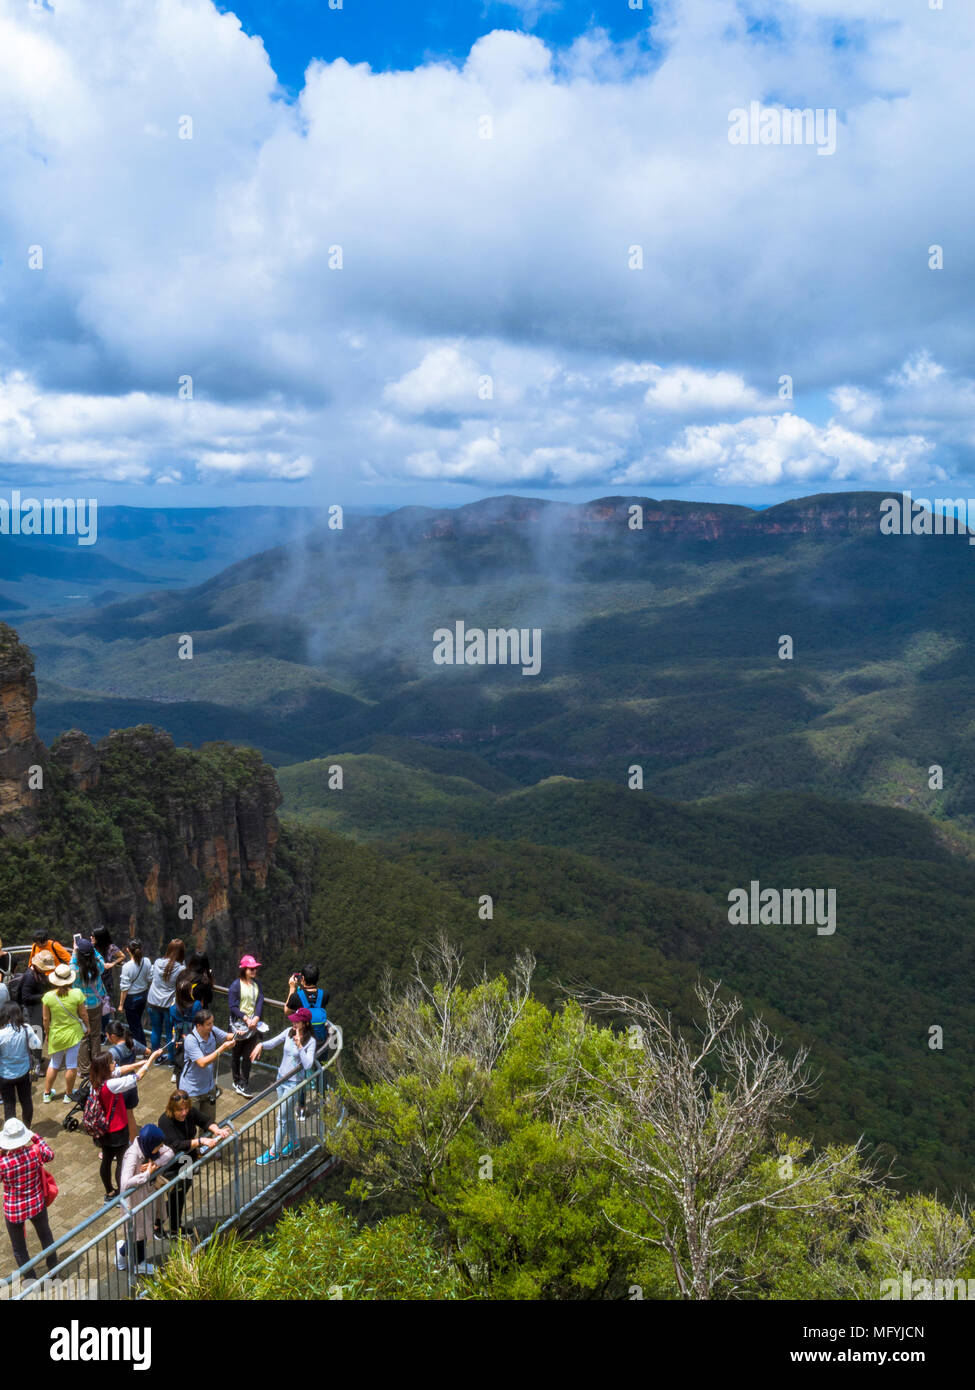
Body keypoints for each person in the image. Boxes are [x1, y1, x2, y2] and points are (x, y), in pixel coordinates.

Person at [157, 1090, 230, 1235]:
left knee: (181, 1194)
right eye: (180, 1110)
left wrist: (217, 1130)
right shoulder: (165, 1121)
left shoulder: (190, 1113)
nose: (184, 1113)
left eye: (186, 1109)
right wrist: (201, 1141)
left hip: (187, 1160)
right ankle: (159, 1224)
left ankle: (172, 1226)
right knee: (175, 1196)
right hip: (171, 1165)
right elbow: (176, 1144)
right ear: (172, 1109)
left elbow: (205, 1120)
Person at [250, 1008, 317, 1166]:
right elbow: (273, 1042)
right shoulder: (289, 1032)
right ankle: (294, 1142)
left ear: (306, 1023)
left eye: (297, 1021)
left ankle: (274, 1152)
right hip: (281, 1080)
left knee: (281, 1118)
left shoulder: (311, 1041)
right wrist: (260, 1045)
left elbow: (308, 1065)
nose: (293, 1023)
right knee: (286, 1115)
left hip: (293, 1084)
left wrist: (300, 1046)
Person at [0, 1118, 58, 1274]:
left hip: (14, 1211)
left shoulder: (3, 1164)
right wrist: (35, 1136)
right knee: (46, 1236)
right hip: (37, 1203)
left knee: (19, 1248)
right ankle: (53, 1269)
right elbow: (50, 1155)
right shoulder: (34, 1152)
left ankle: (30, 1278)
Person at [116, 1125, 175, 1276]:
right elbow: (125, 1183)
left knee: (141, 1231)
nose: (160, 1148)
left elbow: (169, 1152)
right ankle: (135, 1261)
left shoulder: (148, 1146)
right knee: (137, 1233)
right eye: (158, 1146)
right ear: (150, 1144)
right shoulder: (132, 1155)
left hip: (148, 1195)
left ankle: (128, 1255)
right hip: (135, 1200)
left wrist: (154, 1164)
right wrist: (148, 1173)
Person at [177, 1011, 235, 1128]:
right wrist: (222, 1048)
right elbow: (202, 1063)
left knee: (209, 1124)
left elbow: (228, 1036)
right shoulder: (191, 1040)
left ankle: (207, 1146)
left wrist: (240, 1034)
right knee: (190, 1127)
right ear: (199, 1025)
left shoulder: (211, 1030)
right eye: (208, 1024)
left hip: (208, 1088)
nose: (212, 1026)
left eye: (212, 1023)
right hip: (192, 1091)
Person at [41, 964, 88, 1104]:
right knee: (71, 1064)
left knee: (55, 1063)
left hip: (56, 1034)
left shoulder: (48, 997)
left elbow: (45, 1019)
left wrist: (48, 1034)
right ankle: (68, 1095)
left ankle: (47, 1093)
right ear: (70, 980)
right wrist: (88, 1026)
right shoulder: (77, 993)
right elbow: (83, 1013)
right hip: (73, 1033)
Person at [105, 1016, 156, 1141]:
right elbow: (148, 1051)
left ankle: (116, 1145)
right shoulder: (132, 1042)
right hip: (132, 1085)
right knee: (130, 1115)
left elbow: (108, 1073)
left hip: (119, 1088)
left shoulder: (112, 1052)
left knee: (116, 1118)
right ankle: (132, 1142)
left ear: (112, 1036)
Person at [69, 937, 107, 1083]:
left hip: (80, 1006)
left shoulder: (75, 969)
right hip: (96, 1004)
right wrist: (92, 949)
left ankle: (85, 1070)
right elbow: (101, 959)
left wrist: (74, 951)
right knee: (96, 1035)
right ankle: (96, 1065)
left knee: (83, 1036)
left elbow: (71, 966)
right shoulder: (98, 966)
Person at [228, 955, 264, 1098]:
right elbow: (233, 1006)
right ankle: (237, 1080)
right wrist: (245, 1018)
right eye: (251, 968)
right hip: (238, 1026)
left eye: (255, 968)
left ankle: (244, 1083)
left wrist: (256, 1017)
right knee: (236, 1055)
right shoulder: (236, 986)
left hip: (252, 1026)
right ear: (244, 969)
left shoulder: (257, 984)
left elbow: (260, 1000)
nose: (254, 971)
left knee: (248, 1056)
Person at [0, 1004, 42, 1127]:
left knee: (9, 1105)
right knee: (26, 1100)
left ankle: (12, 1133)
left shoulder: (1, 1034)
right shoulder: (26, 1028)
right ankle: (27, 1126)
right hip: (24, 1072)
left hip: (5, 1075)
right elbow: (37, 1044)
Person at [146, 940, 185, 1067]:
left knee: (155, 1030)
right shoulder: (181, 969)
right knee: (170, 1033)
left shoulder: (157, 962)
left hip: (153, 1002)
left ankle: (156, 1058)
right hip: (169, 1005)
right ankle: (172, 1061)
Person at [16, 952, 56, 1074]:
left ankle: (36, 1058)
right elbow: (26, 998)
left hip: (37, 1008)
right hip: (31, 1011)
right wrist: (45, 995)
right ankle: (35, 1066)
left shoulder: (37, 973)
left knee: (39, 1034)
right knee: (36, 1036)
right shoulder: (30, 976)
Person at [117, 940, 152, 1046]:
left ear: (128, 950)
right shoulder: (146, 961)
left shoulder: (127, 967)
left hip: (131, 999)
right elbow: (150, 977)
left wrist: (121, 1004)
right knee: (137, 1023)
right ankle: (139, 1046)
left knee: (134, 1025)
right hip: (143, 995)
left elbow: (125, 988)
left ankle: (142, 1048)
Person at [168, 979, 202, 1087]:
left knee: (179, 1063)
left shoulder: (173, 1008)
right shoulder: (196, 1005)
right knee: (194, 1061)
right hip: (194, 1036)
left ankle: (180, 1088)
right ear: (189, 992)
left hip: (179, 1038)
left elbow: (171, 1022)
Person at [285, 964, 330, 1044]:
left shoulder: (296, 997)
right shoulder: (325, 995)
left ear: (302, 978)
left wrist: (292, 988)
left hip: (303, 1042)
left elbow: (287, 1011)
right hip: (320, 1041)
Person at [92, 927, 125, 1024]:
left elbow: (122, 956)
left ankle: (104, 1028)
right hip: (94, 980)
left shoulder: (110, 947)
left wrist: (113, 963)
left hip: (106, 981)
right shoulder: (91, 946)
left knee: (105, 1004)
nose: (91, 937)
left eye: (93, 936)